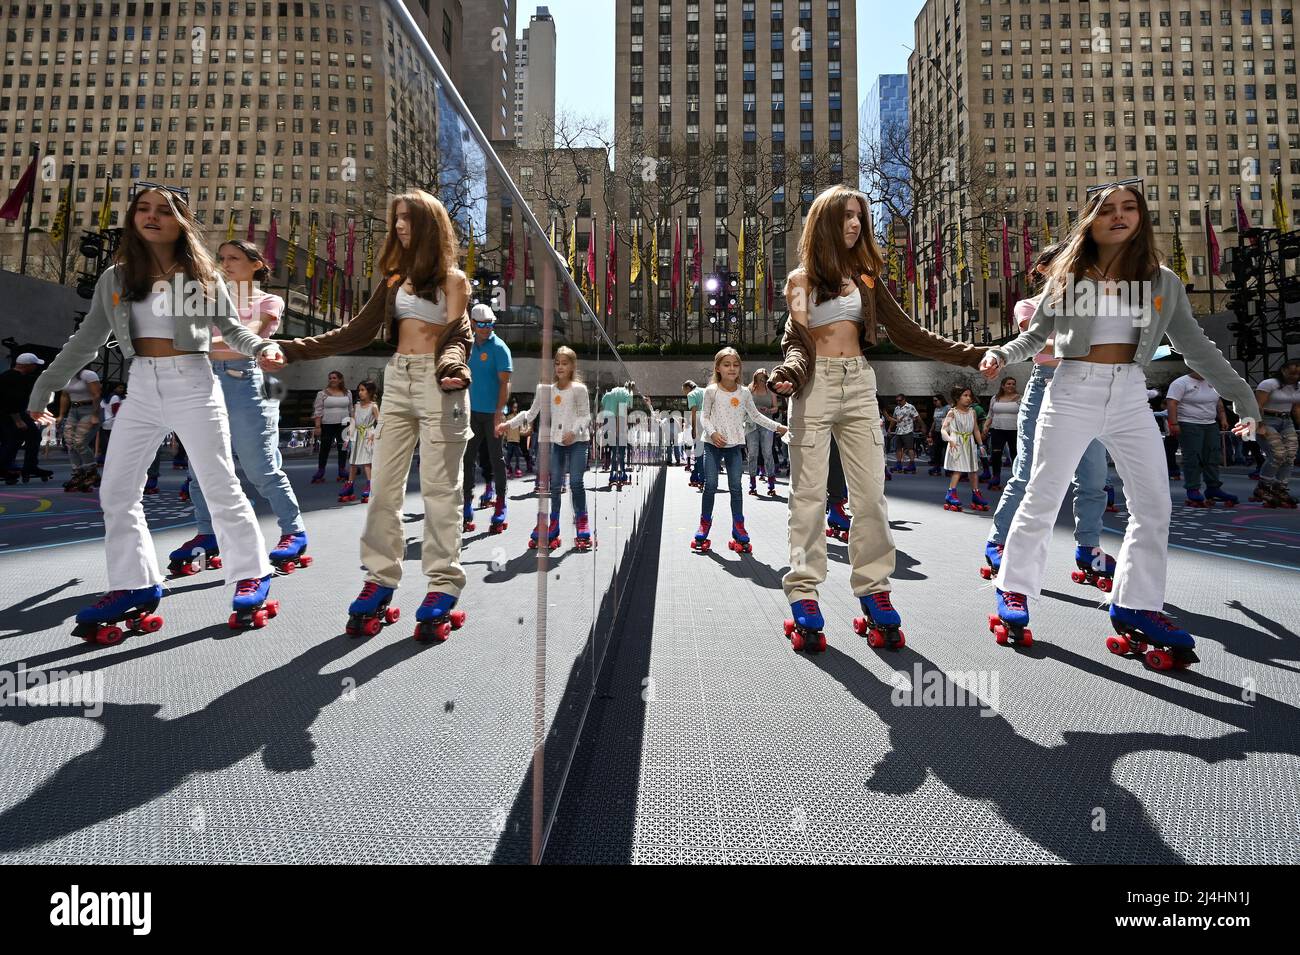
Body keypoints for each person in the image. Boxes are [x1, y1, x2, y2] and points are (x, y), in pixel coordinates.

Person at [980, 181, 1259, 669]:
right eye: (1107, 209)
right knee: (1043, 495)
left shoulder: (1161, 280)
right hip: (1071, 390)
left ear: (1141, 216)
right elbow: (1035, 336)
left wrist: (1242, 397)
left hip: (1130, 392)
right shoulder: (1069, 274)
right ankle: (1015, 590)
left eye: (1129, 207)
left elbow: (1195, 346)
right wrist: (1002, 354)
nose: (1119, 216)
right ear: (1092, 220)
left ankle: (1137, 603)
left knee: (1153, 506)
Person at [27, 186, 286, 639]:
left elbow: (231, 330)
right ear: (133, 218)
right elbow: (85, 341)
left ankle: (252, 572)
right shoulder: (117, 277)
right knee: (117, 490)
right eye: (143, 209)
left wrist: (261, 346)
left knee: (219, 483)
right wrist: (44, 386)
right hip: (142, 386)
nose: (152, 217)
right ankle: (135, 584)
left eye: (164, 211)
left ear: (180, 221)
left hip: (193, 382)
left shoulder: (203, 275)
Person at [768, 184, 989, 653]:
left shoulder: (868, 279)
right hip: (815, 386)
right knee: (807, 495)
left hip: (861, 384)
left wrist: (972, 355)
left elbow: (909, 333)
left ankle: (874, 589)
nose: (855, 224)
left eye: (859, 217)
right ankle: (804, 591)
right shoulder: (801, 281)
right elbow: (795, 341)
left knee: (869, 496)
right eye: (846, 216)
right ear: (825, 222)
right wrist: (789, 374)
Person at [272, 189, 473, 642]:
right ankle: (380, 578)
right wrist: (288, 350)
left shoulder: (453, 280)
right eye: (396, 219)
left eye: (407, 219)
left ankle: (442, 583)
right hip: (398, 380)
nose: (399, 226)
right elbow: (354, 333)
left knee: (442, 489)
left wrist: (452, 367)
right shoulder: (393, 279)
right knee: (383, 488)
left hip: (441, 384)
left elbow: (460, 334)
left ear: (429, 225)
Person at [168, 238, 311, 576]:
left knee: (259, 466)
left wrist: (193, 342)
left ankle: (293, 530)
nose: (226, 263)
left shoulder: (269, 300)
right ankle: (208, 532)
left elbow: (245, 340)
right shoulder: (208, 300)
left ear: (256, 264)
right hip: (203, 382)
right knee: (201, 467)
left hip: (247, 383)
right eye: (222, 258)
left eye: (234, 257)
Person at [982, 244, 1115, 592]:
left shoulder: (1091, 303)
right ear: (1042, 269)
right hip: (1047, 387)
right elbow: (1041, 345)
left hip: (1089, 389)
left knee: (1093, 475)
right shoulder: (1029, 306)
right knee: (1027, 473)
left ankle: (1088, 547)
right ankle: (998, 541)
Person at [691, 348, 787, 555]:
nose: (732, 368)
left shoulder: (744, 393)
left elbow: (756, 416)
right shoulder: (711, 391)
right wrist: (713, 433)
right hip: (712, 445)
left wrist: (779, 428)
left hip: (734, 446)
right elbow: (704, 417)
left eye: (735, 365)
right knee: (710, 485)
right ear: (718, 367)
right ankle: (704, 525)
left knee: (736, 487)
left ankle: (739, 526)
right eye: (727, 364)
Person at [497, 346, 591, 551]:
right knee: (555, 485)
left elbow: (586, 416)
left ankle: (582, 521)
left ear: (572, 366)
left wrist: (573, 432)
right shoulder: (545, 389)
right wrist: (507, 425)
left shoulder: (579, 390)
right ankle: (554, 524)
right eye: (557, 363)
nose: (559, 367)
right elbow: (530, 414)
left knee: (576, 482)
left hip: (578, 441)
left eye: (564, 363)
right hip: (557, 442)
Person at [461, 303, 512, 533]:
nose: (486, 328)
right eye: (481, 324)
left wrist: (499, 413)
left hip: (492, 414)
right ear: (472, 323)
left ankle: (500, 504)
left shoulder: (500, 348)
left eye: (490, 324)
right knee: (467, 460)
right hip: (469, 413)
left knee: (496, 459)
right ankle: (466, 504)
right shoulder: (465, 346)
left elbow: (505, 383)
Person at [1166, 370, 1236, 508]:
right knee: (1193, 457)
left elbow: (1218, 402)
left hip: (1210, 423)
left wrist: (1223, 418)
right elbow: (1172, 403)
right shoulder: (1181, 383)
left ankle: (1213, 487)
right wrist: (1174, 423)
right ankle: (1193, 488)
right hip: (1188, 423)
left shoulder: (1213, 381)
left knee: (1213, 456)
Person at [1251, 359, 1300, 508]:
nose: (1295, 376)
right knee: (1277, 454)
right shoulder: (1269, 384)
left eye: (1298, 373)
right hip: (1267, 419)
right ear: (1283, 370)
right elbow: (1256, 405)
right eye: (1292, 372)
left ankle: (1280, 488)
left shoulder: (1298, 387)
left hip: (1286, 421)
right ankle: (1263, 487)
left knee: (1290, 455)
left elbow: (1296, 409)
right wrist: (1259, 426)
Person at [1, 353, 54, 483]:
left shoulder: (7, 375)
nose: (36, 367)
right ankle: (19, 467)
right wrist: (18, 420)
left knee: (17, 440)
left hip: (11, 413)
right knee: (19, 440)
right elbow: (12, 401)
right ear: (28, 365)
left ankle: (11, 467)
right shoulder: (16, 379)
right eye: (34, 364)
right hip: (12, 414)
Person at [939, 385, 989, 512]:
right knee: (958, 470)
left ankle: (976, 493)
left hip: (969, 442)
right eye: (965, 395)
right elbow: (943, 429)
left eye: (970, 396)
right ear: (957, 397)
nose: (968, 398)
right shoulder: (952, 412)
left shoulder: (972, 412)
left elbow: (976, 429)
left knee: (973, 469)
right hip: (957, 442)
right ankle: (951, 493)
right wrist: (950, 440)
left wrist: (981, 444)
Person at [58, 366, 102, 491]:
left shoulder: (88, 374)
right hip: (73, 410)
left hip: (88, 409)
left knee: (80, 442)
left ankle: (92, 473)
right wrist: (61, 415)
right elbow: (64, 396)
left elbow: (96, 395)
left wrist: (95, 415)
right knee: (70, 443)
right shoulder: (66, 375)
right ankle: (78, 474)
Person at [339, 379, 381, 504]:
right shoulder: (356, 406)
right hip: (357, 436)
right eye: (359, 390)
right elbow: (352, 422)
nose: (360, 393)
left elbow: (380, 422)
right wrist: (348, 437)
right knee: (353, 461)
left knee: (367, 462)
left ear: (370, 392)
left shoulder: (373, 406)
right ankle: (349, 485)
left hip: (368, 436)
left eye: (363, 390)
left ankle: (370, 485)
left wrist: (374, 434)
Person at [311, 370, 352, 483]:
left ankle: (342, 470)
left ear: (340, 380)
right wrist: (317, 426)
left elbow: (351, 409)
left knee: (343, 447)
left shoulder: (347, 393)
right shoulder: (322, 393)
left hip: (344, 423)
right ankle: (321, 470)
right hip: (327, 424)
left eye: (334, 378)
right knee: (325, 447)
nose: (332, 380)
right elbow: (318, 410)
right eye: (330, 378)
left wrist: (353, 423)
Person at [746, 368, 781, 496]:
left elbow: (776, 408)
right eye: (759, 378)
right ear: (755, 378)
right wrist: (755, 409)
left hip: (767, 423)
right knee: (753, 453)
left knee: (767, 453)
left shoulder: (770, 390)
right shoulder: (749, 390)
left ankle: (771, 484)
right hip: (751, 425)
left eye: (764, 378)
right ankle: (752, 483)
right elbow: (745, 406)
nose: (762, 380)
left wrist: (768, 410)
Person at [985, 376, 1021, 489]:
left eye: (1013, 384)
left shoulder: (1021, 398)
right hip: (997, 429)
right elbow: (990, 414)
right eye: (1008, 384)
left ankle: (1018, 478)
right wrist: (985, 426)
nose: (1011, 386)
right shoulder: (995, 398)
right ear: (1003, 386)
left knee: (1015, 454)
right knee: (996, 454)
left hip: (1014, 430)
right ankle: (995, 477)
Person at [601, 378, 634, 488]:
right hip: (617, 424)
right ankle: (621, 474)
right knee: (620, 452)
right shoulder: (626, 394)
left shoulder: (608, 395)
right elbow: (621, 414)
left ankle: (613, 475)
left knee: (614, 452)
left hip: (608, 423)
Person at [886, 393, 920, 474]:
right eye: (897, 401)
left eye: (900, 400)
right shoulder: (897, 408)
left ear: (904, 400)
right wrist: (890, 428)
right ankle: (899, 464)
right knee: (898, 448)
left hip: (908, 431)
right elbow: (894, 419)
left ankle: (912, 465)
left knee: (910, 448)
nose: (898, 402)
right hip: (899, 431)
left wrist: (918, 426)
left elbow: (917, 417)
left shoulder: (910, 407)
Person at [684, 379, 705, 487]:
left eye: (685, 391)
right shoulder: (705, 391)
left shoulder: (691, 394)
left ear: (688, 387)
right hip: (710, 423)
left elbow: (694, 411)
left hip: (699, 423)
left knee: (699, 453)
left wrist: (693, 428)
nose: (685, 394)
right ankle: (695, 477)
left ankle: (702, 480)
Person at [926, 392, 949, 475]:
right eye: (933, 401)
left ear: (941, 400)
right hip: (937, 432)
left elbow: (951, 419)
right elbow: (934, 421)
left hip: (946, 432)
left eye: (936, 400)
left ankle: (948, 469)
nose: (934, 402)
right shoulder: (936, 409)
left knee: (947, 450)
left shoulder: (947, 408)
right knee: (937, 450)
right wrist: (930, 431)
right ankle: (937, 467)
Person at [503, 397, 526, 477]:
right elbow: (506, 428)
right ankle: (508, 468)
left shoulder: (519, 417)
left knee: (517, 456)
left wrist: (524, 431)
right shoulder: (508, 417)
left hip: (517, 440)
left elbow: (522, 427)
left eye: (516, 407)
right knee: (508, 456)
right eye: (514, 407)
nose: (515, 409)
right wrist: (505, 438)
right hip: (510, 439)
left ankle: (517, 469)